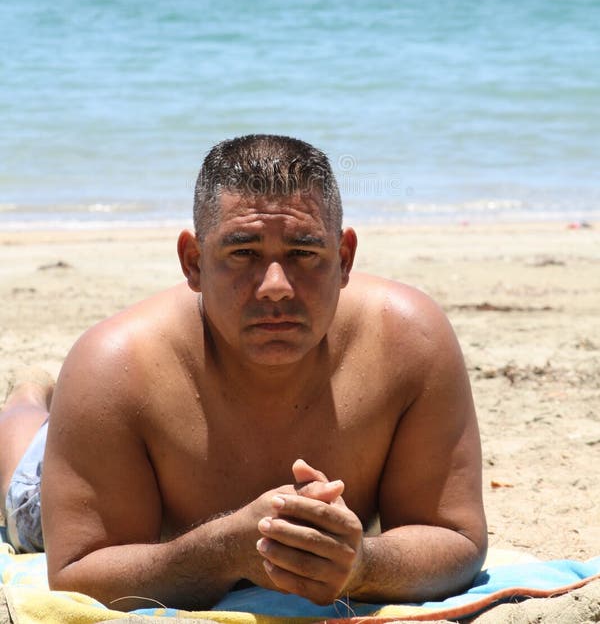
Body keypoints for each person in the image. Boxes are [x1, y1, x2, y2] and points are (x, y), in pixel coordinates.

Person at [0, 134, 487, 612]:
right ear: (193, 262)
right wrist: (224, 551)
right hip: (90, 465)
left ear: (343, 259)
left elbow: (457, 536)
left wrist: (361, 564)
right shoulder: (115, 365)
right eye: (243, 253)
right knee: (22, 489)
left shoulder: (408, 341)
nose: (275, 286)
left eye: (302, 253)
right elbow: (75, 573)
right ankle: (28, 393)